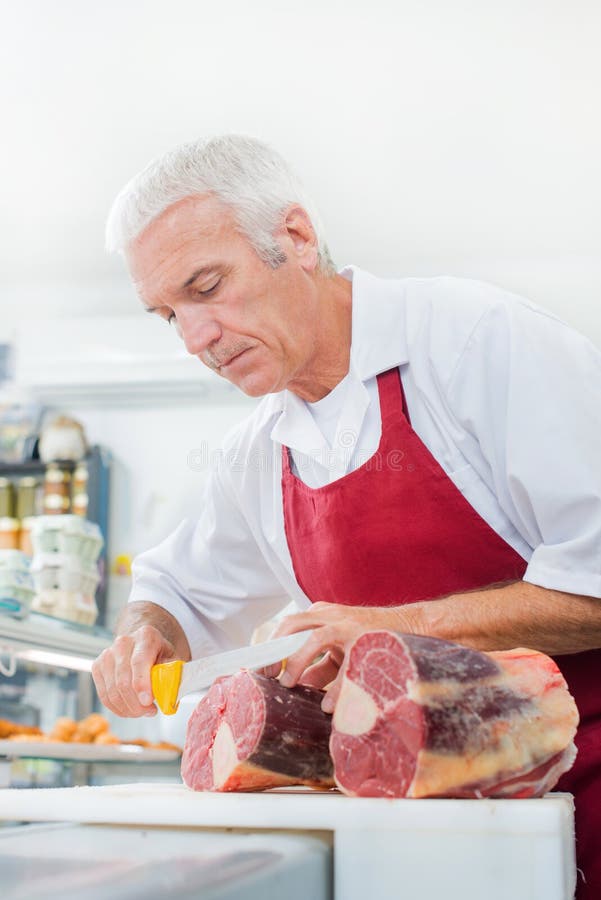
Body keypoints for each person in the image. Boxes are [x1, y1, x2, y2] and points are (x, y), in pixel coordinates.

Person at [92, 135, 601, 898]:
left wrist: (390, 627)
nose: (196, 339)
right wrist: (146, 633)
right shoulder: (256, 452)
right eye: (169, 314)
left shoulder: (473, 342)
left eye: (207, 287)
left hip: (584, 801)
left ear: (296, 238)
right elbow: (180, 592)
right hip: (421, 845)